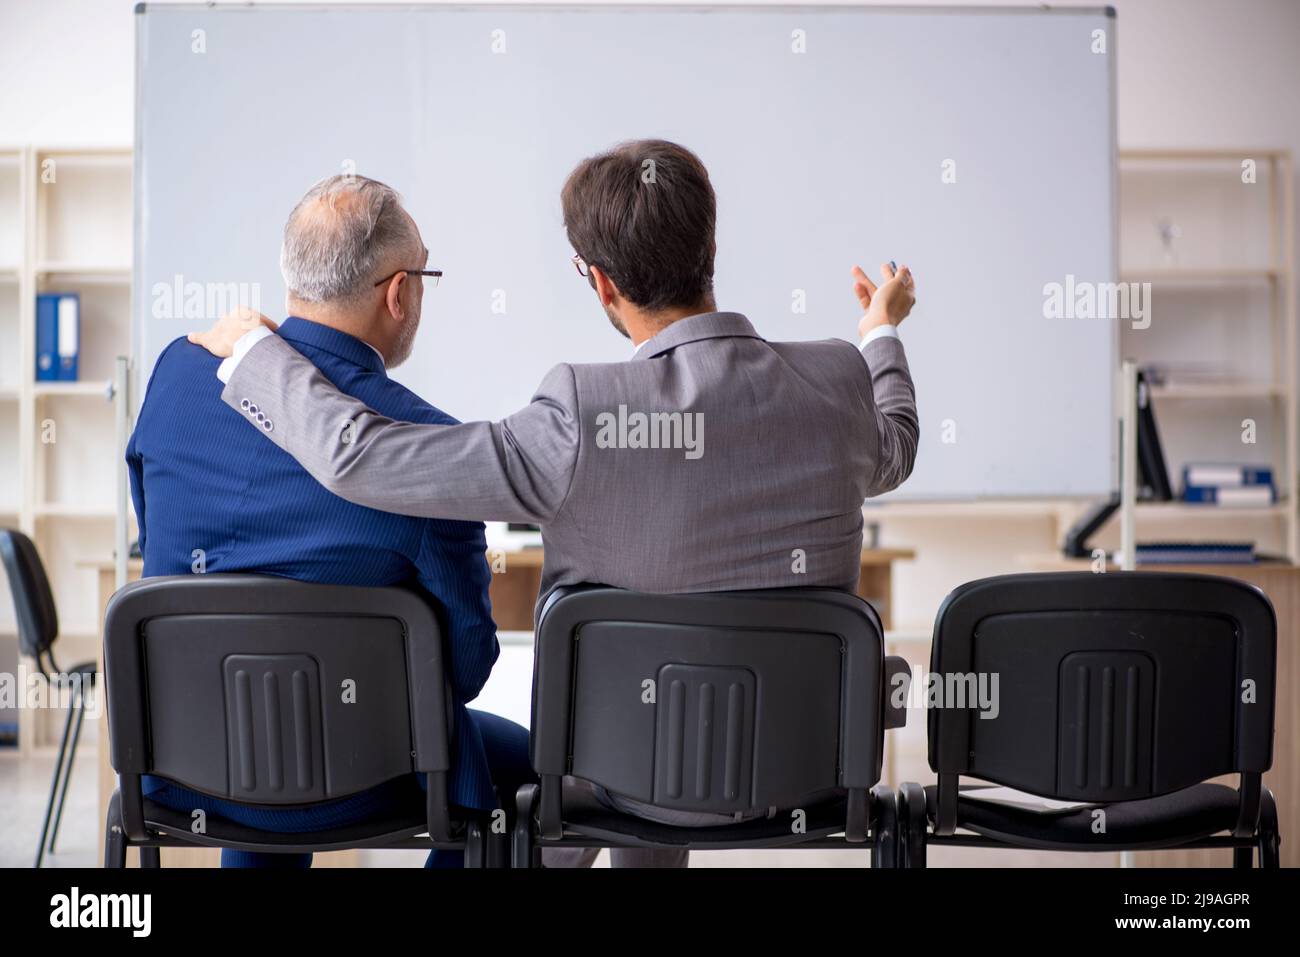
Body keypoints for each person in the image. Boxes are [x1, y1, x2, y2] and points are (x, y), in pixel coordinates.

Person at [191, 139, 919, 867]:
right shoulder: (837, 384)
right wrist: (879, 333)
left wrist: (261, 355)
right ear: (711, 246)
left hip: (628, 777)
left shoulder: (581, 416)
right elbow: (898, 445)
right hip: (811, 776)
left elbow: (361, 456)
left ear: (601, 284)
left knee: (610, 742)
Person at [127, 174, 531, 868]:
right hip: (359, 776)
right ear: (399, 292)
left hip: (187, 759)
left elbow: (158, 536)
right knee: (527, 770)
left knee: (264, 742)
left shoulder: (176, 372)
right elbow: (465, 669)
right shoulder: (426, 444)